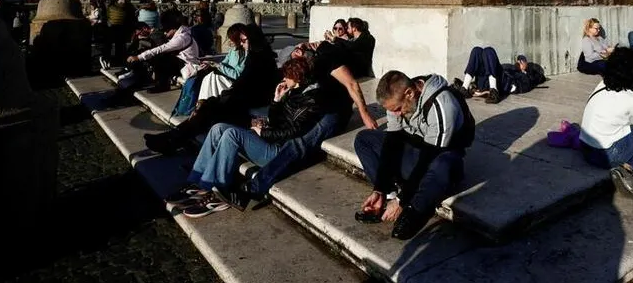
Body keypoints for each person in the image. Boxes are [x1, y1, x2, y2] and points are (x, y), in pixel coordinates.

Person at [164, 57, 340, 217]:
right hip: (270, 139)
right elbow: (278, 119)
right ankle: (197, 182)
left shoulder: (312, 100)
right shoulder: (295, 91)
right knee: (219, 128)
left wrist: (263, 132)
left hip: (277, 150)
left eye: (287, 75)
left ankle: (216, 188)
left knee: (232, 134)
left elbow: (292, 132)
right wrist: (277, 100)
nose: (284, 79)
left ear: (299, 77)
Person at [354, 71, 473, 240]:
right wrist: (380, 188)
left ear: (409, 93)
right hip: (416, 151)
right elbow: (392, 143)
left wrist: (403, 201)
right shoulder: (396, 100)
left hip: (441, 156)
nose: (395, 115)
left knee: (442, 166)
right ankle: (388, 196)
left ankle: (414, 212)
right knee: (364, 139)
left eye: (397, 109)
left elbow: (428, 158)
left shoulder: (443, 104)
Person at [144, 24, 279, 154]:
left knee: (208, 110)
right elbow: (242, 84)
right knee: (207, 108)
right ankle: (171, 138)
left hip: (251, 101)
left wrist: (223, 98)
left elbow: (244, 84)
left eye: (244, 41)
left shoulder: (259, 60)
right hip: (246, 98)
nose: (242, 44)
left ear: (253, 39)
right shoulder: (259, 56)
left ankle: (172, 139)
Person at [579, 47, 633, 199]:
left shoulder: (602, 85)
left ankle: (626, 167)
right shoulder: (632, 99)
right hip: (605, 156)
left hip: (586, 149)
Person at [126, 9, 200, 92]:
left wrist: (139, 57)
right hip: (182, 64)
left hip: (187, 66)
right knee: (157, 56)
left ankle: (162, 85)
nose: (165, 33)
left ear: (174, 29)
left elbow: (161, 49)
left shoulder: (182, 38)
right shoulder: (182, 34)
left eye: (167, 30)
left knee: (161, 57)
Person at [454, 47, 547, 104]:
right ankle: (464, 88)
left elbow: (537, 79)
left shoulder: (525, 75)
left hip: (503, 83)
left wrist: (513, 86)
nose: (519, 62)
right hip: (487, 81)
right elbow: (492, 67)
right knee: (477, 50)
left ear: (526, 65)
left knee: (489, 51)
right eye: (519, 60)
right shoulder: (509, 66)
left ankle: (494, 92)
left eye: (522, 61)